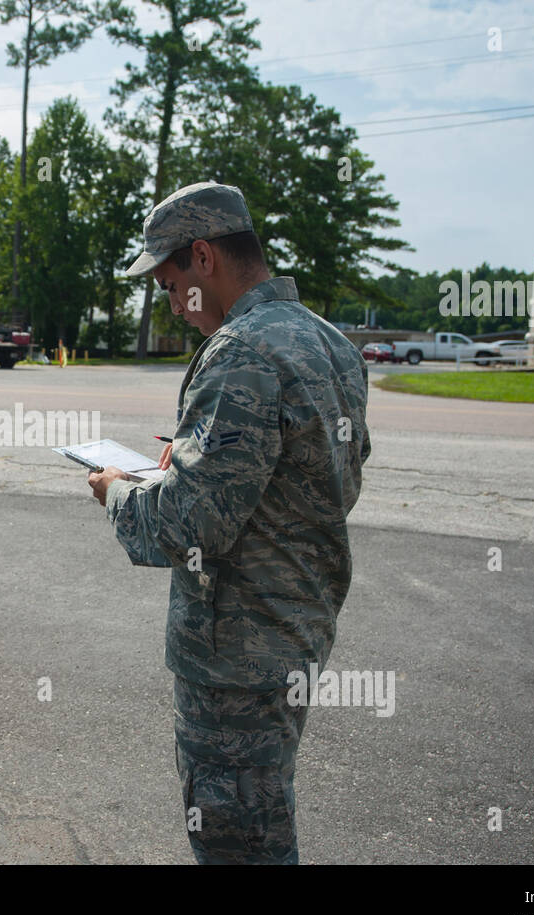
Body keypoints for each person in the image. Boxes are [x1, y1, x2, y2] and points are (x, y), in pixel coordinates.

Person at [87, 181, 371, 864]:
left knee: (239, 840)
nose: (169, 302)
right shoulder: (328, 342)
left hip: (236, 657)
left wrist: (117, 491)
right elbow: (331, 479)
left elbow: (185, 524)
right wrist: (192, 461)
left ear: (204, 258)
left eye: (167, 282)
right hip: (295, 628)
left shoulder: (241, 351)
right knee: (262, 814)